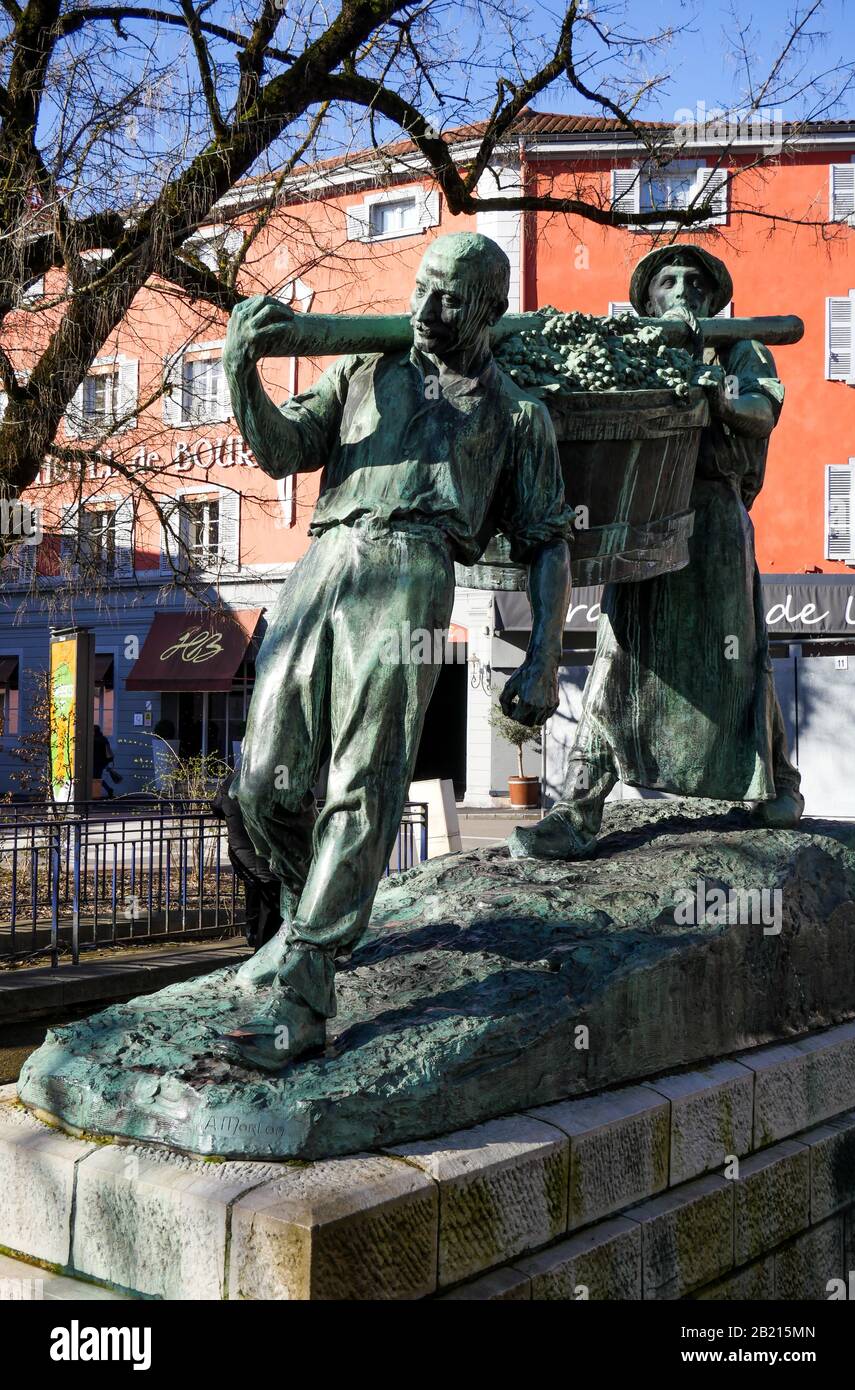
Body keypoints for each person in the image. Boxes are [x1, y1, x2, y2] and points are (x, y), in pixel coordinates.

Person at [219, 231, 575, 1068]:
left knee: (364, 777)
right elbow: (281, 449)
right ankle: (324, 913)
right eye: (420, 288)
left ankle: (305, 986)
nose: (423, 309)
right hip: (321, 564)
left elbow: (551, 541)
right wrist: (239, 369)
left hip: (415, 571)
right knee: (262, 777)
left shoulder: (518, 414)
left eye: (448, 297)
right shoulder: (362, 370)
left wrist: (545, 655)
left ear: (490, 310)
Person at [510, 244, 804, 863]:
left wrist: (716, 397)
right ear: (647, 299)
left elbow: (762, 410)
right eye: (667, 282)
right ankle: (581, 806)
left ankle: (780, 783)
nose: (681, 291)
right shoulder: (636, 351)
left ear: (712, 296)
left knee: (739, 649)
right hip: (643, 511)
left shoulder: (739, 349)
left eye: (694, 282)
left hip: (714, 510)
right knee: (619, 651)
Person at [211, 771, 282, 952]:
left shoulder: (229, 788)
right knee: (270, 900)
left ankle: (252, 936)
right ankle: (263, 948)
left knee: (253, 893)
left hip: (240, 853)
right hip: (262, 854)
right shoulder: (265, 785)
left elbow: (217, 807)